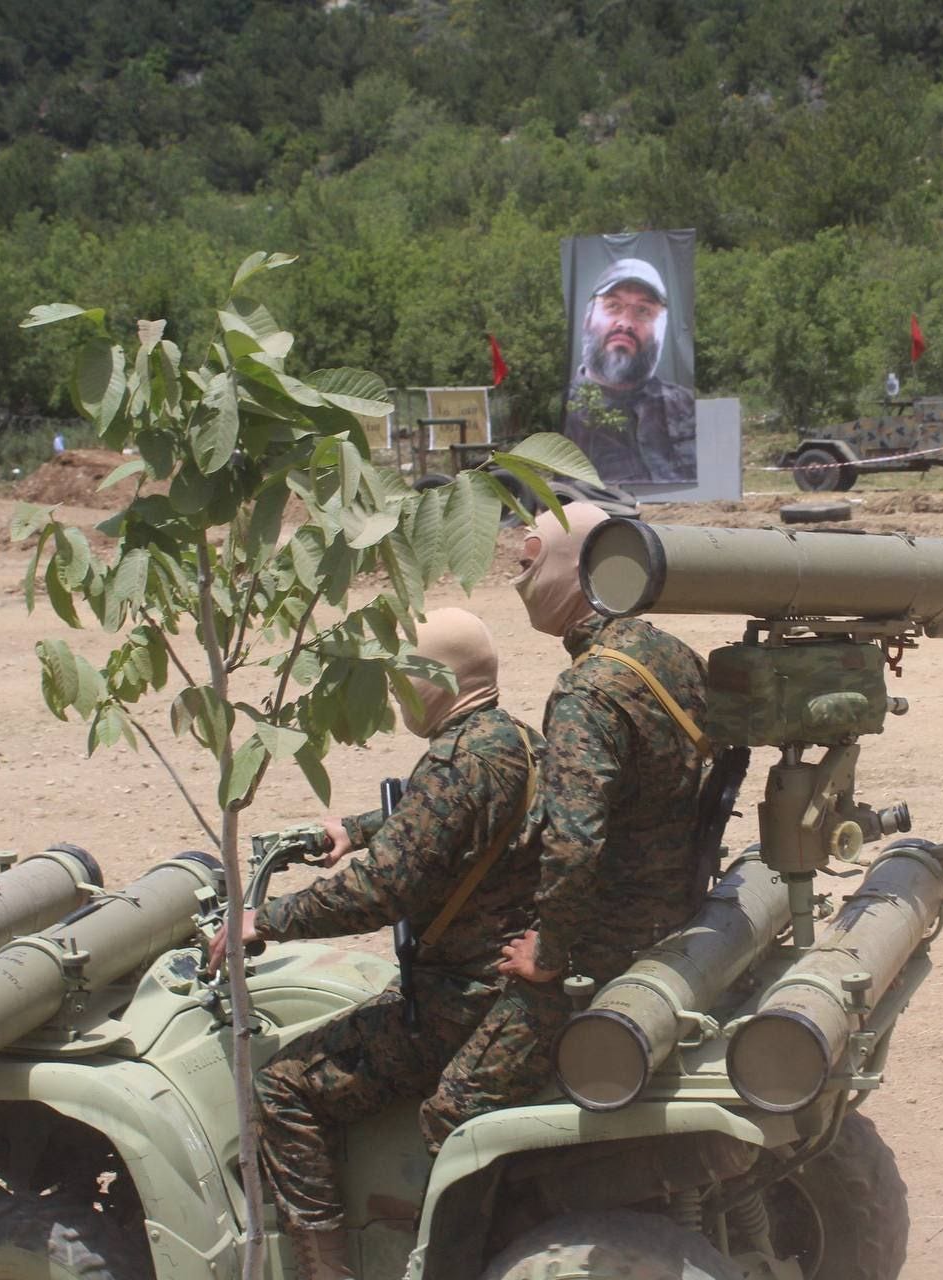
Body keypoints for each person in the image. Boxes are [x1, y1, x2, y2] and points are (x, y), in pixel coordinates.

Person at [209, 608, 543, 1280]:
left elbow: (382, 890)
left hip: (460, 1000)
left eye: (403, 677)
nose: (394, 692)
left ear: (437, 679)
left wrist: (265, 920)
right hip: (500, 983)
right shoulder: (516, 739)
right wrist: (357, 829)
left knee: (282, 1088)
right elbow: (441, 819)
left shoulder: (455, 761)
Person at [499, 502, 708, 991]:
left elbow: (573, 846)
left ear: (575, 568)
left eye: (530, 564)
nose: (520, 578)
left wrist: (549, 954)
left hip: (618, 932)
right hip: (679, 896)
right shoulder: (669, 650)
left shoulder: (585, 694)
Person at [562, 258, 697, 486]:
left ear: (662, 329)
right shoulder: (561, 412)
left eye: (643, 310)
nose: (625, 323)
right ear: (587, 319)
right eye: (613, 305)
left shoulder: (688, 405)